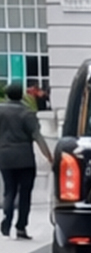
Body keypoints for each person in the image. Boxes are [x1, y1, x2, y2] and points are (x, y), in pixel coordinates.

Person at [0, 82, 53, 239]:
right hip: (25, 159)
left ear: (8, 94)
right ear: (21, 95)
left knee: (9, 190)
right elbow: (38, 136)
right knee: (25, 193)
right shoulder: (27, 113)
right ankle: (21, 227)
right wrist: (49, 156)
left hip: (5, 157)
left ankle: (7, 220)